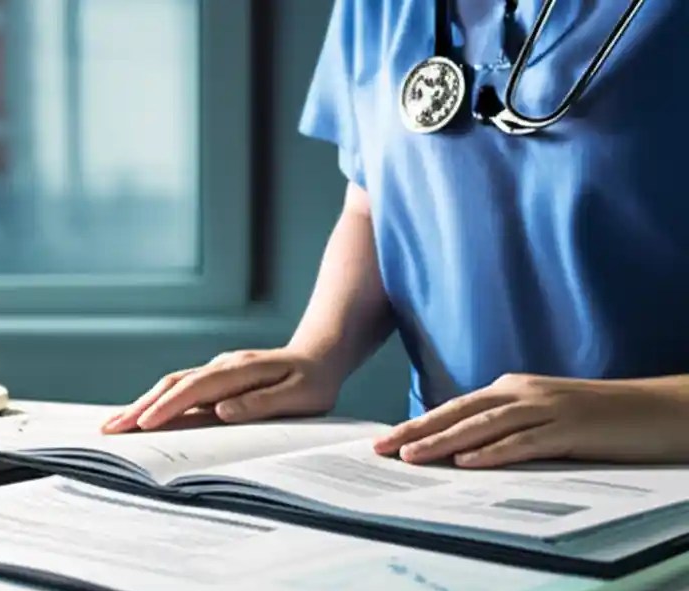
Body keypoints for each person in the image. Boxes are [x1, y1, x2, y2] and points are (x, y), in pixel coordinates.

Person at [103, 0, 689, 468]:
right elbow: (375, 200)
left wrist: (639, 409)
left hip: (661, 484)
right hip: (447, 465)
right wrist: (316, 354)